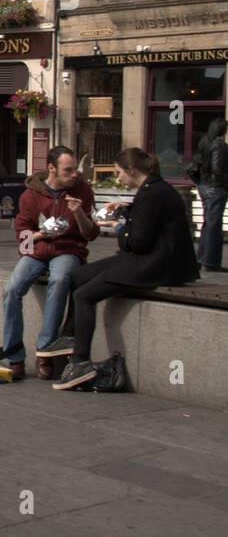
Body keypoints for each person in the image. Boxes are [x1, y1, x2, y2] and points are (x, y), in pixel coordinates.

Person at [56, 148, 201, 390]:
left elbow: (138, 242)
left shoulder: (151, 194)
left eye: (119, 172)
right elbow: (145, 221)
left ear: (132, 170)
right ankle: (70, 336)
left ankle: (80, 362)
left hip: (154, 265)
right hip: (153, 258)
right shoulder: (155, 188)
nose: (119, 177)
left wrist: (118, 229)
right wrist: (124, 210)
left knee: (84, 296)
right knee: (78, 275)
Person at [1, 146, 100, 381]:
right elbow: (22, 238)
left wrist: (79, 215)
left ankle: (45, 350)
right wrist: (40, 234)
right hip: (37, 250)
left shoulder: (82, 191)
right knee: (12, 289)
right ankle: (14, 355)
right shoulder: (30, 195)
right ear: (51, 169)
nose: (74, 174)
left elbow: (90, 235)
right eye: (68, 170)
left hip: (68, 249)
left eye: (75, 169)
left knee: (60, 279)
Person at [190, 118, 227, 273]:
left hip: (204, 186)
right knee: (213, 224)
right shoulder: (219, 145)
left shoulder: (204, 142)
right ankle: (210, 262)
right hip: (215, 188)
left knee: (209, 222)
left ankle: (202, 259)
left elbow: (197, 164)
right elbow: (217, 169)